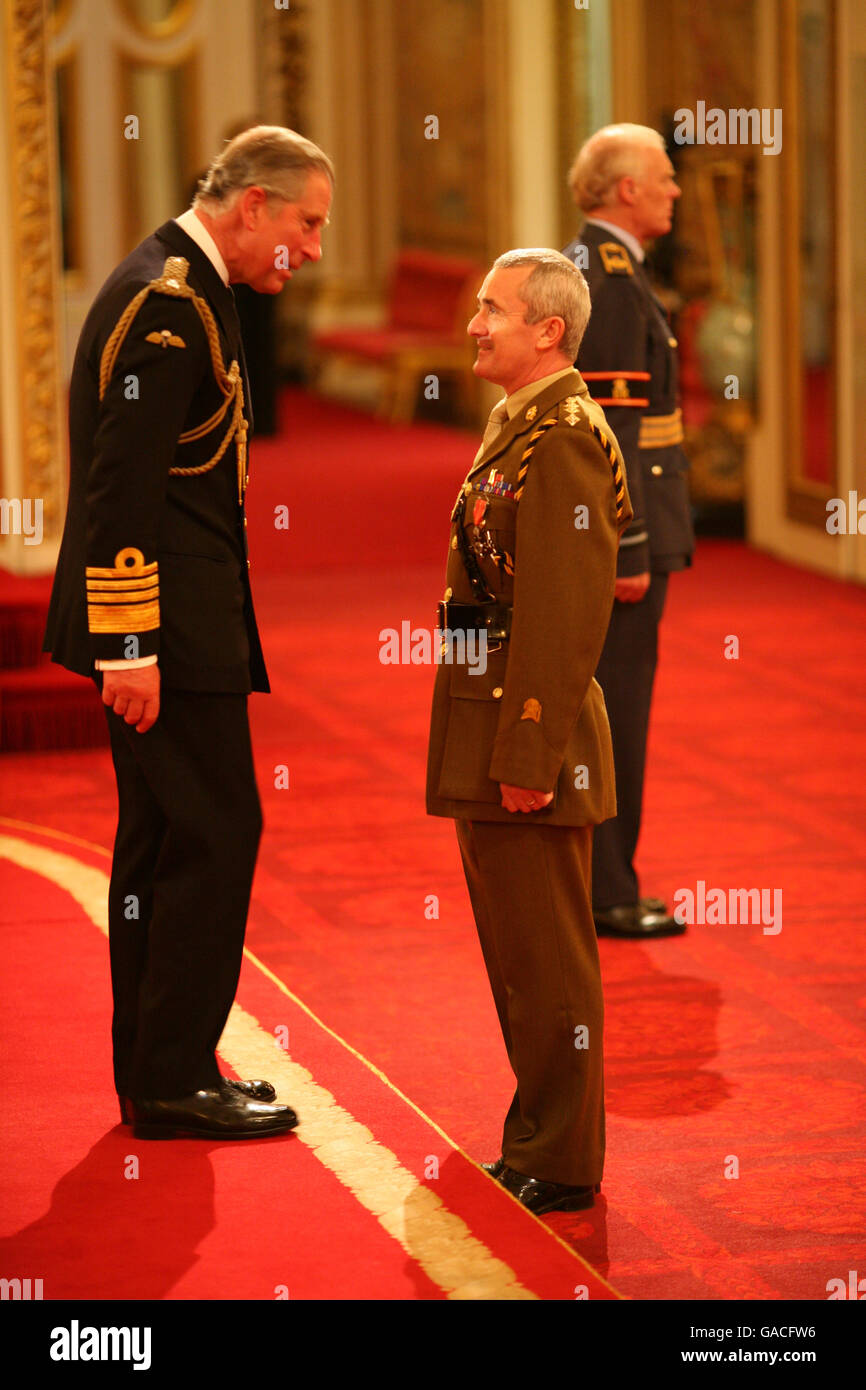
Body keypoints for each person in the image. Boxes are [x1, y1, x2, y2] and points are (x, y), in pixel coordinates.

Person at [44, 126, 334, 1139]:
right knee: (214, 834)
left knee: (168, 837)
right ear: (251, 204)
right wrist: (128, 645)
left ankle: (162, 1067)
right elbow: (121, 488)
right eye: (303, 223)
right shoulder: (168, 304)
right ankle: (171, 1077)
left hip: (179, 622)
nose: (307, 248)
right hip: (162, 627)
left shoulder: (187, 288)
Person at [426, 249, 632, 1214]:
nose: (475, 323)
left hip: (528, 730)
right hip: (489, 711)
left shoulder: (565, 439)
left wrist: (527, 754)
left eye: (493, 310)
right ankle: (537, 1138)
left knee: (548, 959)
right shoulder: (522, 423)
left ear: (547, 330)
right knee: (517, 954)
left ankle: (562, 1157)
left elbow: (564, 614)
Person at [563, 123, 694, 941]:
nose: (676, 189)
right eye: (665, 178)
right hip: (627, 543)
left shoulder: (608, 270)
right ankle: (610, 889)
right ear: (626, 191)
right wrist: (631, 544)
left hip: (631, 533)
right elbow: (609, 429)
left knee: (611, 708)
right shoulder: (609, 281)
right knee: (619, 712)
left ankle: (609, 879)